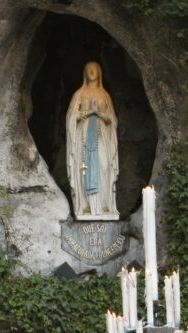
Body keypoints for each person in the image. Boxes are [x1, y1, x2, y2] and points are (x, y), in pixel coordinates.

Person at [66, 61, 119, 219]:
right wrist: (84, 114)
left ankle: (104, 205)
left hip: (101, 135)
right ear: (84, 73)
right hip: (83, 136)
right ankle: (87, 206)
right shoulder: (79, 94)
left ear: (99, 72)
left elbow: (113, 120)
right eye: (88, 69)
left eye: (94, 68)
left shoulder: (105, 95)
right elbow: (70, 116)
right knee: (84, 168)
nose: (91, 71)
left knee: (103, 166)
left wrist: (99, 113)